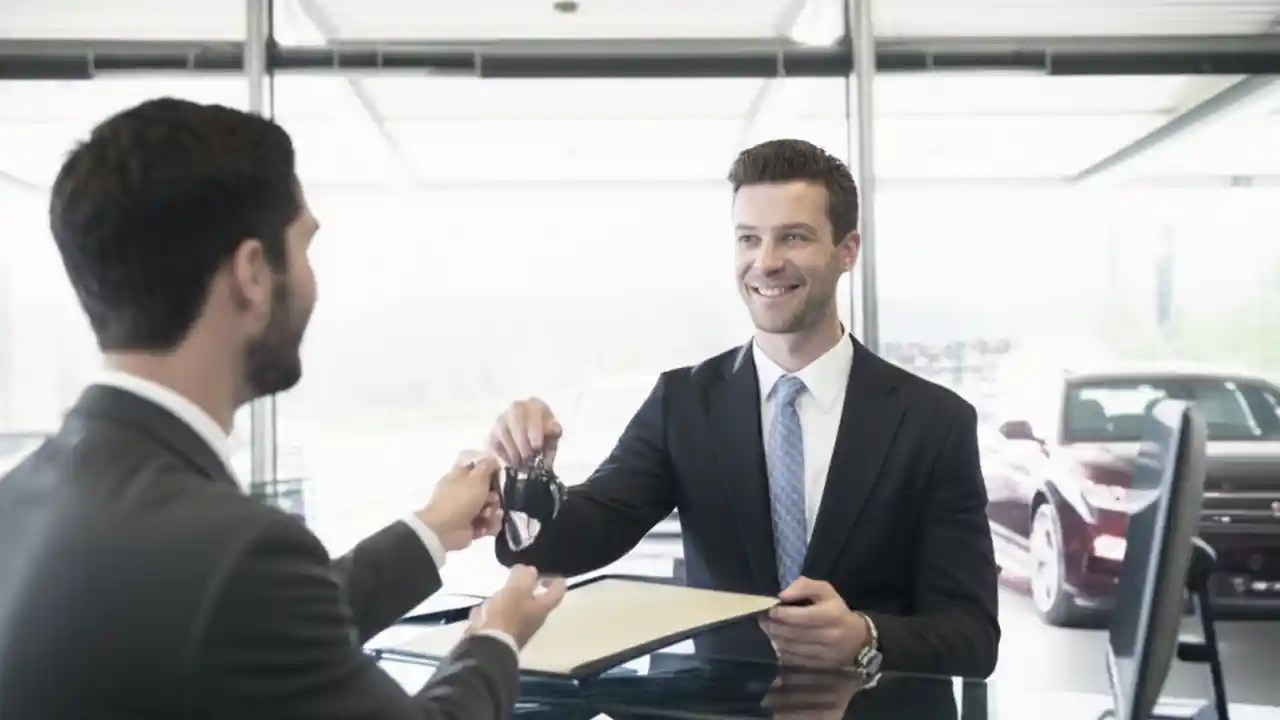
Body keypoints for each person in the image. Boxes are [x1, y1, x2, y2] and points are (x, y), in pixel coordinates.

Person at [0, 98, 564, 719]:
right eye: (304, 247)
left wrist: (430, 529)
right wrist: (495, 637)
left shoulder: (22, 501)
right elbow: (250, 597)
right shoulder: (235, 549)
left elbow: (250, 625)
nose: (311, 280)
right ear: (253, 272)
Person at [487, 139, 1000, 678]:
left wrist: (864, 638)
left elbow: (972, 635)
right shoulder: (684, 403)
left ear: (847, 251)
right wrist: (529, 477)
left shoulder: (934, 422)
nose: (767, 262)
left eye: (794, 238)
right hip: (727, 711)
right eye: (749, 239)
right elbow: (581, 536)